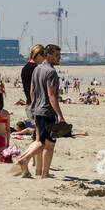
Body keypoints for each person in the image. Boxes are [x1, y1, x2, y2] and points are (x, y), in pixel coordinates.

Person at [15, 45, 66, 178]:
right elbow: (52, 95)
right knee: (48, 144)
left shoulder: (37, 69)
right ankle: (43, 172)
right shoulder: (51, 72)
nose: (59, 58)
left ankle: (32, 165)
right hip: (47, 111)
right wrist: (59, 115)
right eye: (57, 55)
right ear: (48, 55)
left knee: (39, 141)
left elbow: (32, 90)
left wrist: (34, 106)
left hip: (37, 110)